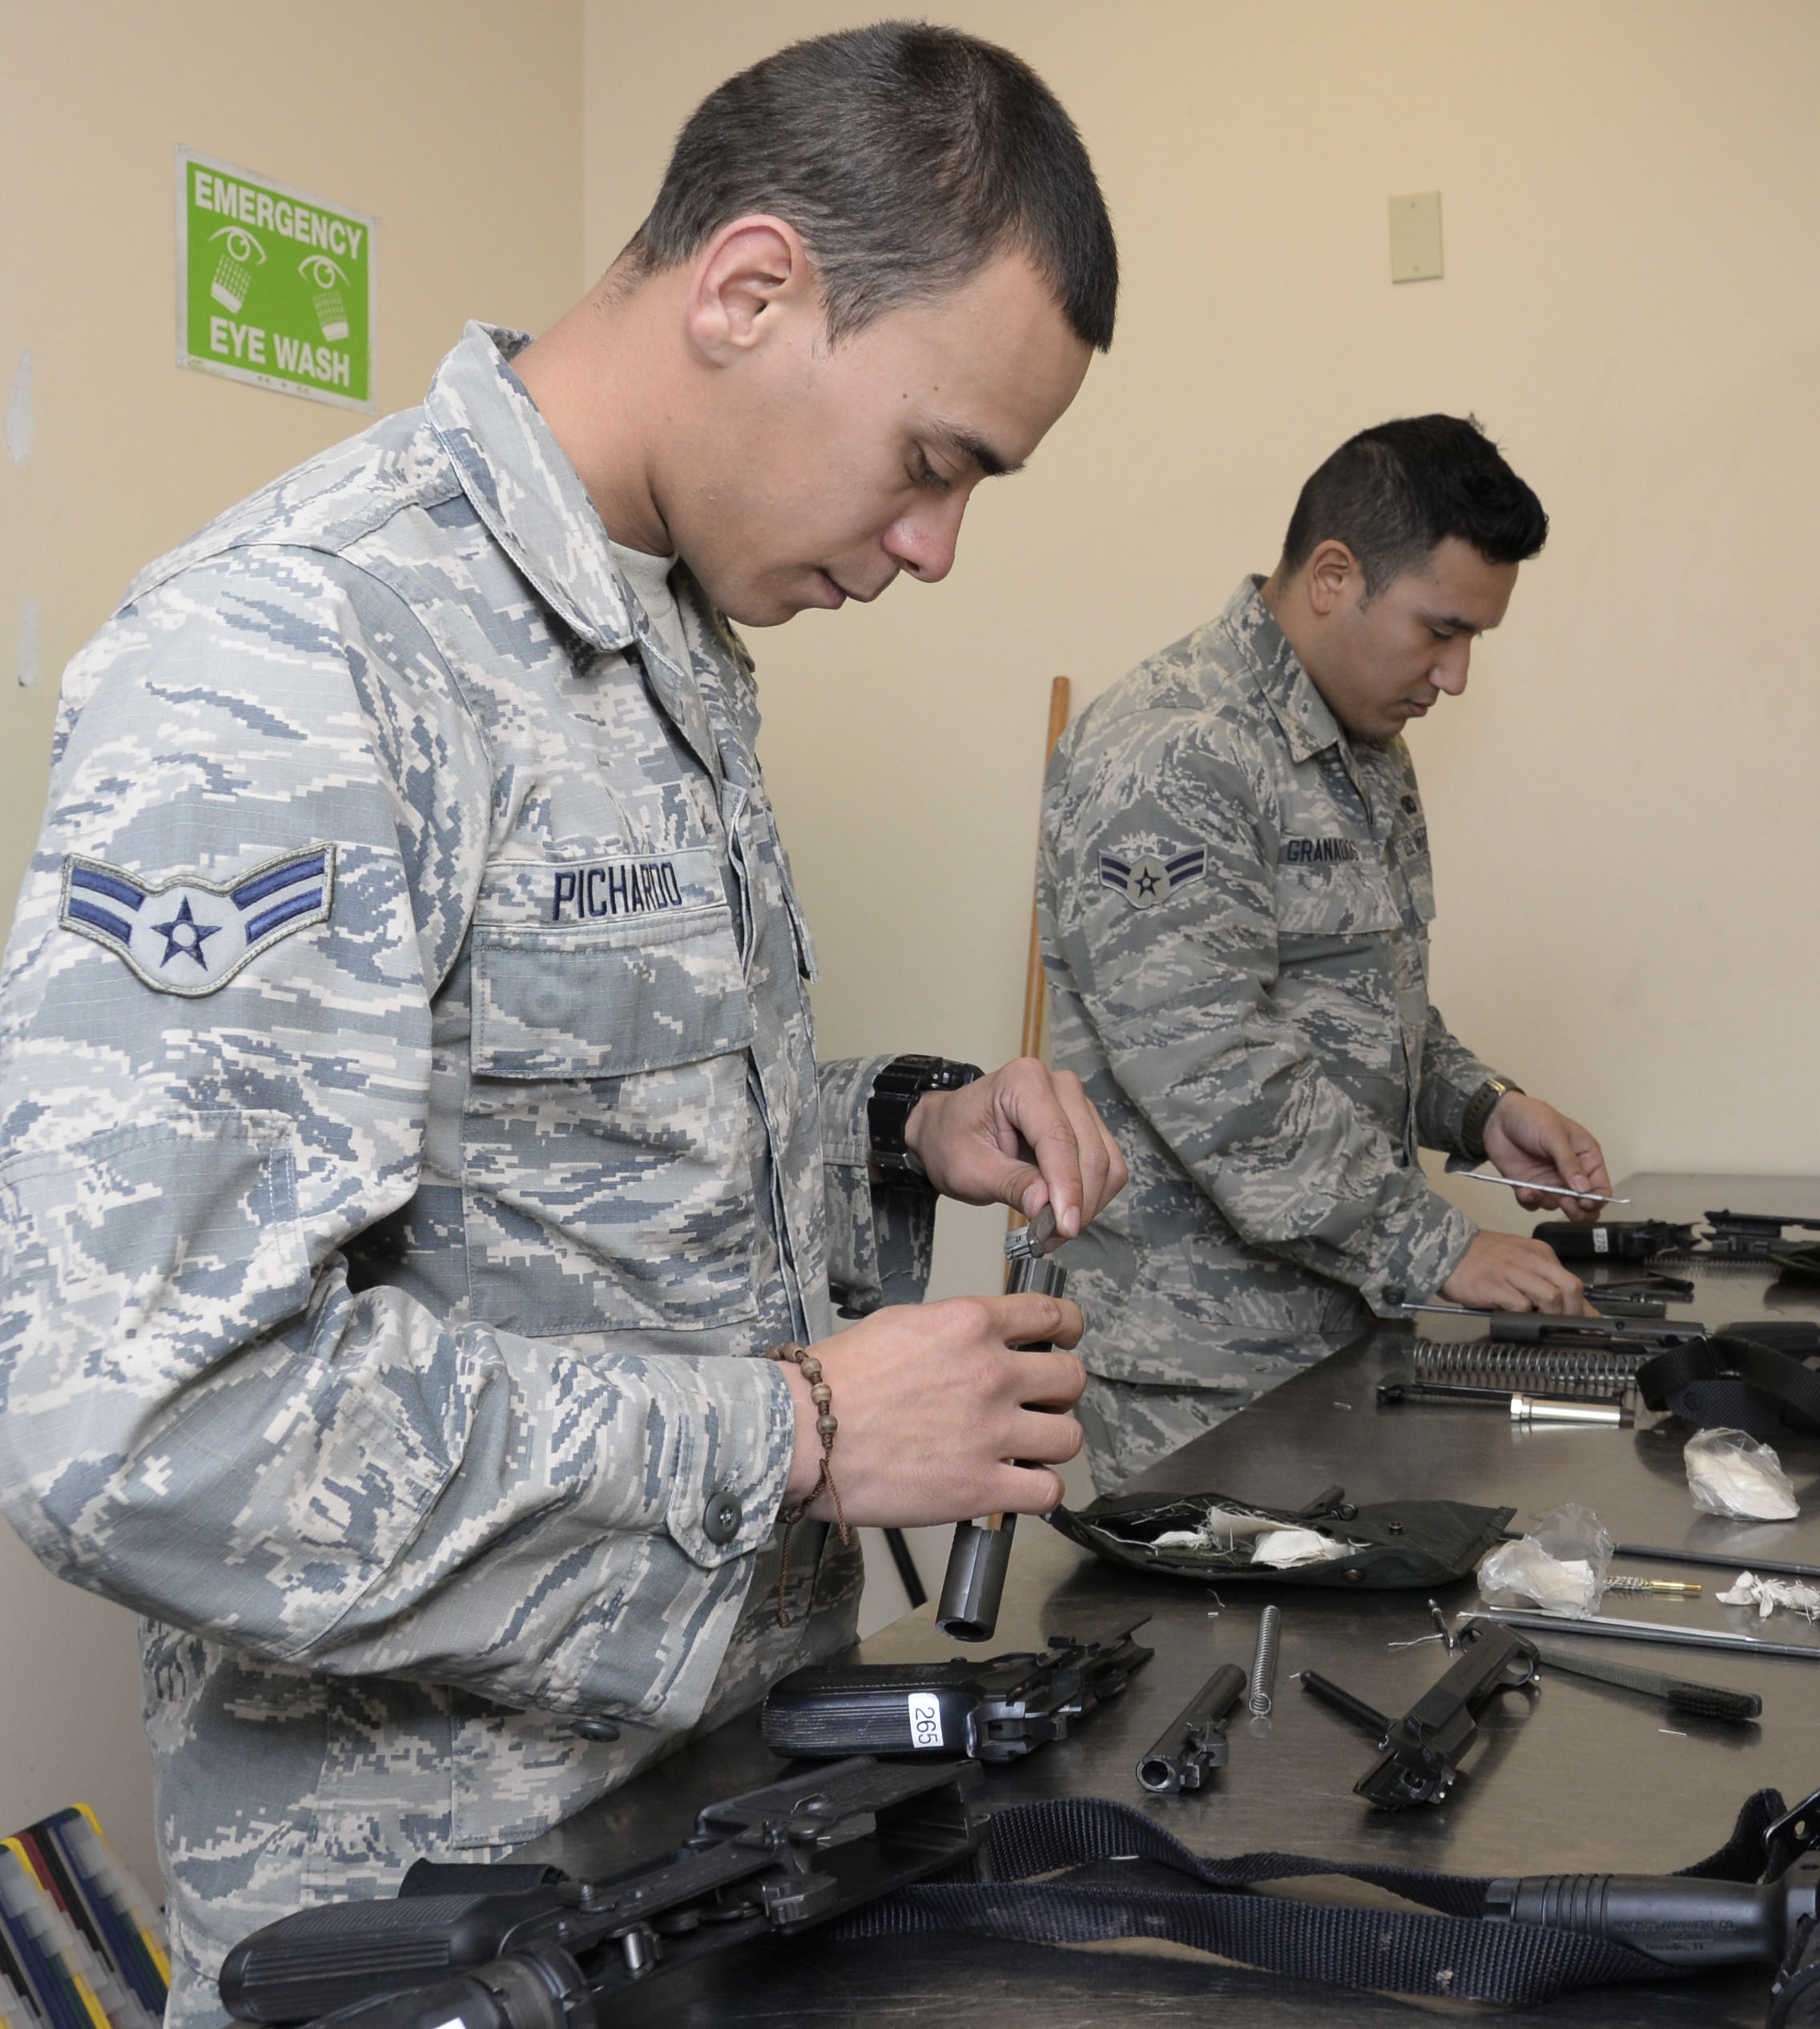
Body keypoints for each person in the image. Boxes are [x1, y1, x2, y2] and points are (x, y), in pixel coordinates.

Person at [0, 26, 1129, 2022]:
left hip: (713, 1840)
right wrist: (796, 1428)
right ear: (751, 289)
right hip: (441, 1916)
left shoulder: (665, 619)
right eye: (935, 459)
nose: (936, 546)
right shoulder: (296, 644)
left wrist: (900, 1125)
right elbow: (135, 1430)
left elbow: (560, 1136)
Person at [1041, 417, 1613, 1490]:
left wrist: (1482, 1108)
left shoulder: (1363, 743)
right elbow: (1215, 1069)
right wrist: (1441, 1248)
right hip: (1201, 1372)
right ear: (1333, 576)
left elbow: (1361, 1011)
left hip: (1344, 1331)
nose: (1456, 676)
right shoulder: (1174, 752)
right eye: (1440, 630)